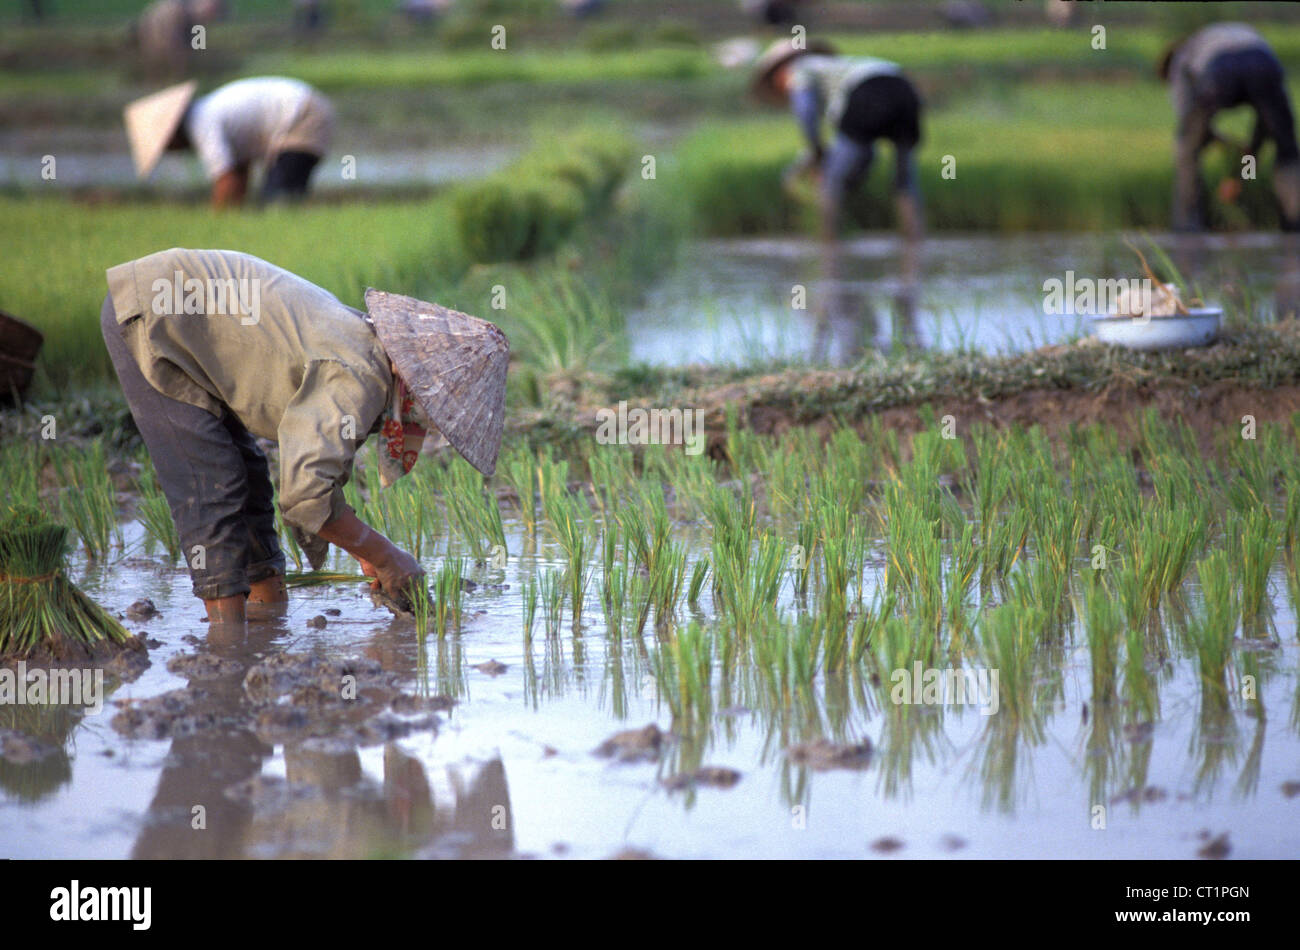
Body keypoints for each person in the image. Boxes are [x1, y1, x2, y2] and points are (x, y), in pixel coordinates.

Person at [100, 248, 509, 628]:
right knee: (212, 485)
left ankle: (265, 620)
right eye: (439, 409)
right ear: (419, 384)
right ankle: (225, 652)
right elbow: (304, 497)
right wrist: (383, 555)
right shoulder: (359, 376)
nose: (433, 424)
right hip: (153, 314)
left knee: (249, 477)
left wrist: (368, 552)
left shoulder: (370, 353)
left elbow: (314, 475)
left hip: (182, 312)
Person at [752, 39, 923, 243]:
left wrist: (816, 154)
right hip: (904, 88)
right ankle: (915, 244)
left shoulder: (799, 69)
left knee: (831, 181)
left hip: (865, 92)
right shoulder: (835, 69)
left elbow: (806, 113)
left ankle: (828, 246)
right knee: (905, 179)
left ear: (780, 72)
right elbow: (863, 150)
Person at [1159, 22, 1300, 232]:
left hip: (1221, 68)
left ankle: (1188, 229)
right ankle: (1294, 227)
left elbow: (1188, 121)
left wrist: (1221, 144)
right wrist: (1244, 165)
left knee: (1187, 151)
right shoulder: (1223, 35)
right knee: (1287, 148)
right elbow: (1268, 127)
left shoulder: (1182, 57)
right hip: (1264, 62)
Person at [123, 77, 336, 208]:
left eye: (167, 148)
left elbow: (226, 179)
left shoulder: (201, 123)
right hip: (302, 106)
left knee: (279, 202)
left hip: (302, 115)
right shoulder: (205, 113)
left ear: (172, 136)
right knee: (280, 201)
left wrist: (215, 225)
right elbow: (239, 175)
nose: (173, 152)